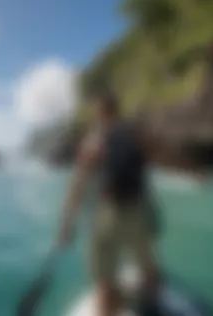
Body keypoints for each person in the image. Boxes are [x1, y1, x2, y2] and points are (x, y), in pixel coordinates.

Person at [57, 90, 161, 316]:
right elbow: (163, 154)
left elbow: (79, 185)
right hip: (140, 211)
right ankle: (153, 302)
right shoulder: (136, 134)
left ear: (99, 113)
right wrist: (195, 171)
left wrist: (67, 223)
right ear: (118, 110)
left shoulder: (94, 141)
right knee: (147, 264)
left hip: (109, 215)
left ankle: (109, 306)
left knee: (104, 284)